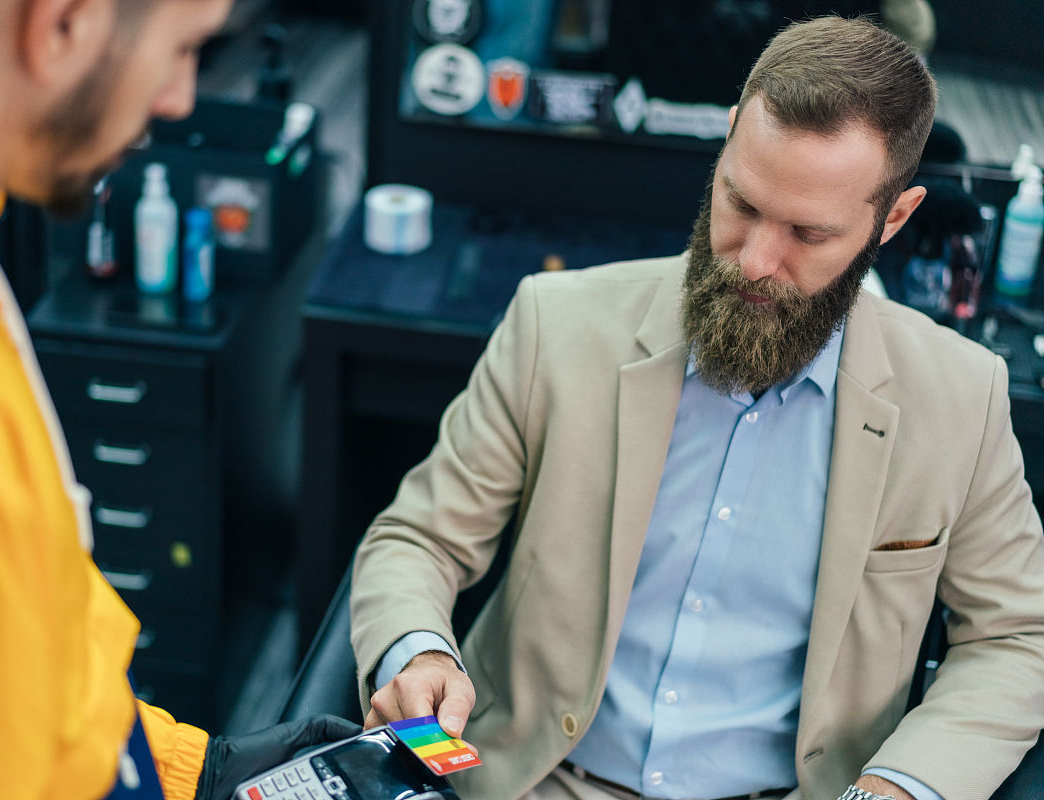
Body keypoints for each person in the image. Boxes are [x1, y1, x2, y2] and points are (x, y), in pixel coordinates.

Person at [350, 15, 1044, 800]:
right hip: (541, 781)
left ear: (893, 218)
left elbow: (1019, 637)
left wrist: (901, 786)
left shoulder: (959, 397)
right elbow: (420, 536)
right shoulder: (557, 325)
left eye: (807, 234)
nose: (753, 260)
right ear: (725, 146)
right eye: (740, 202)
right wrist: (418, 652)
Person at [0, 1, 356, 798]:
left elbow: (14, 671)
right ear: (62, 24)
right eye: (183, 49)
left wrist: (195, 773)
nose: (181, 99)